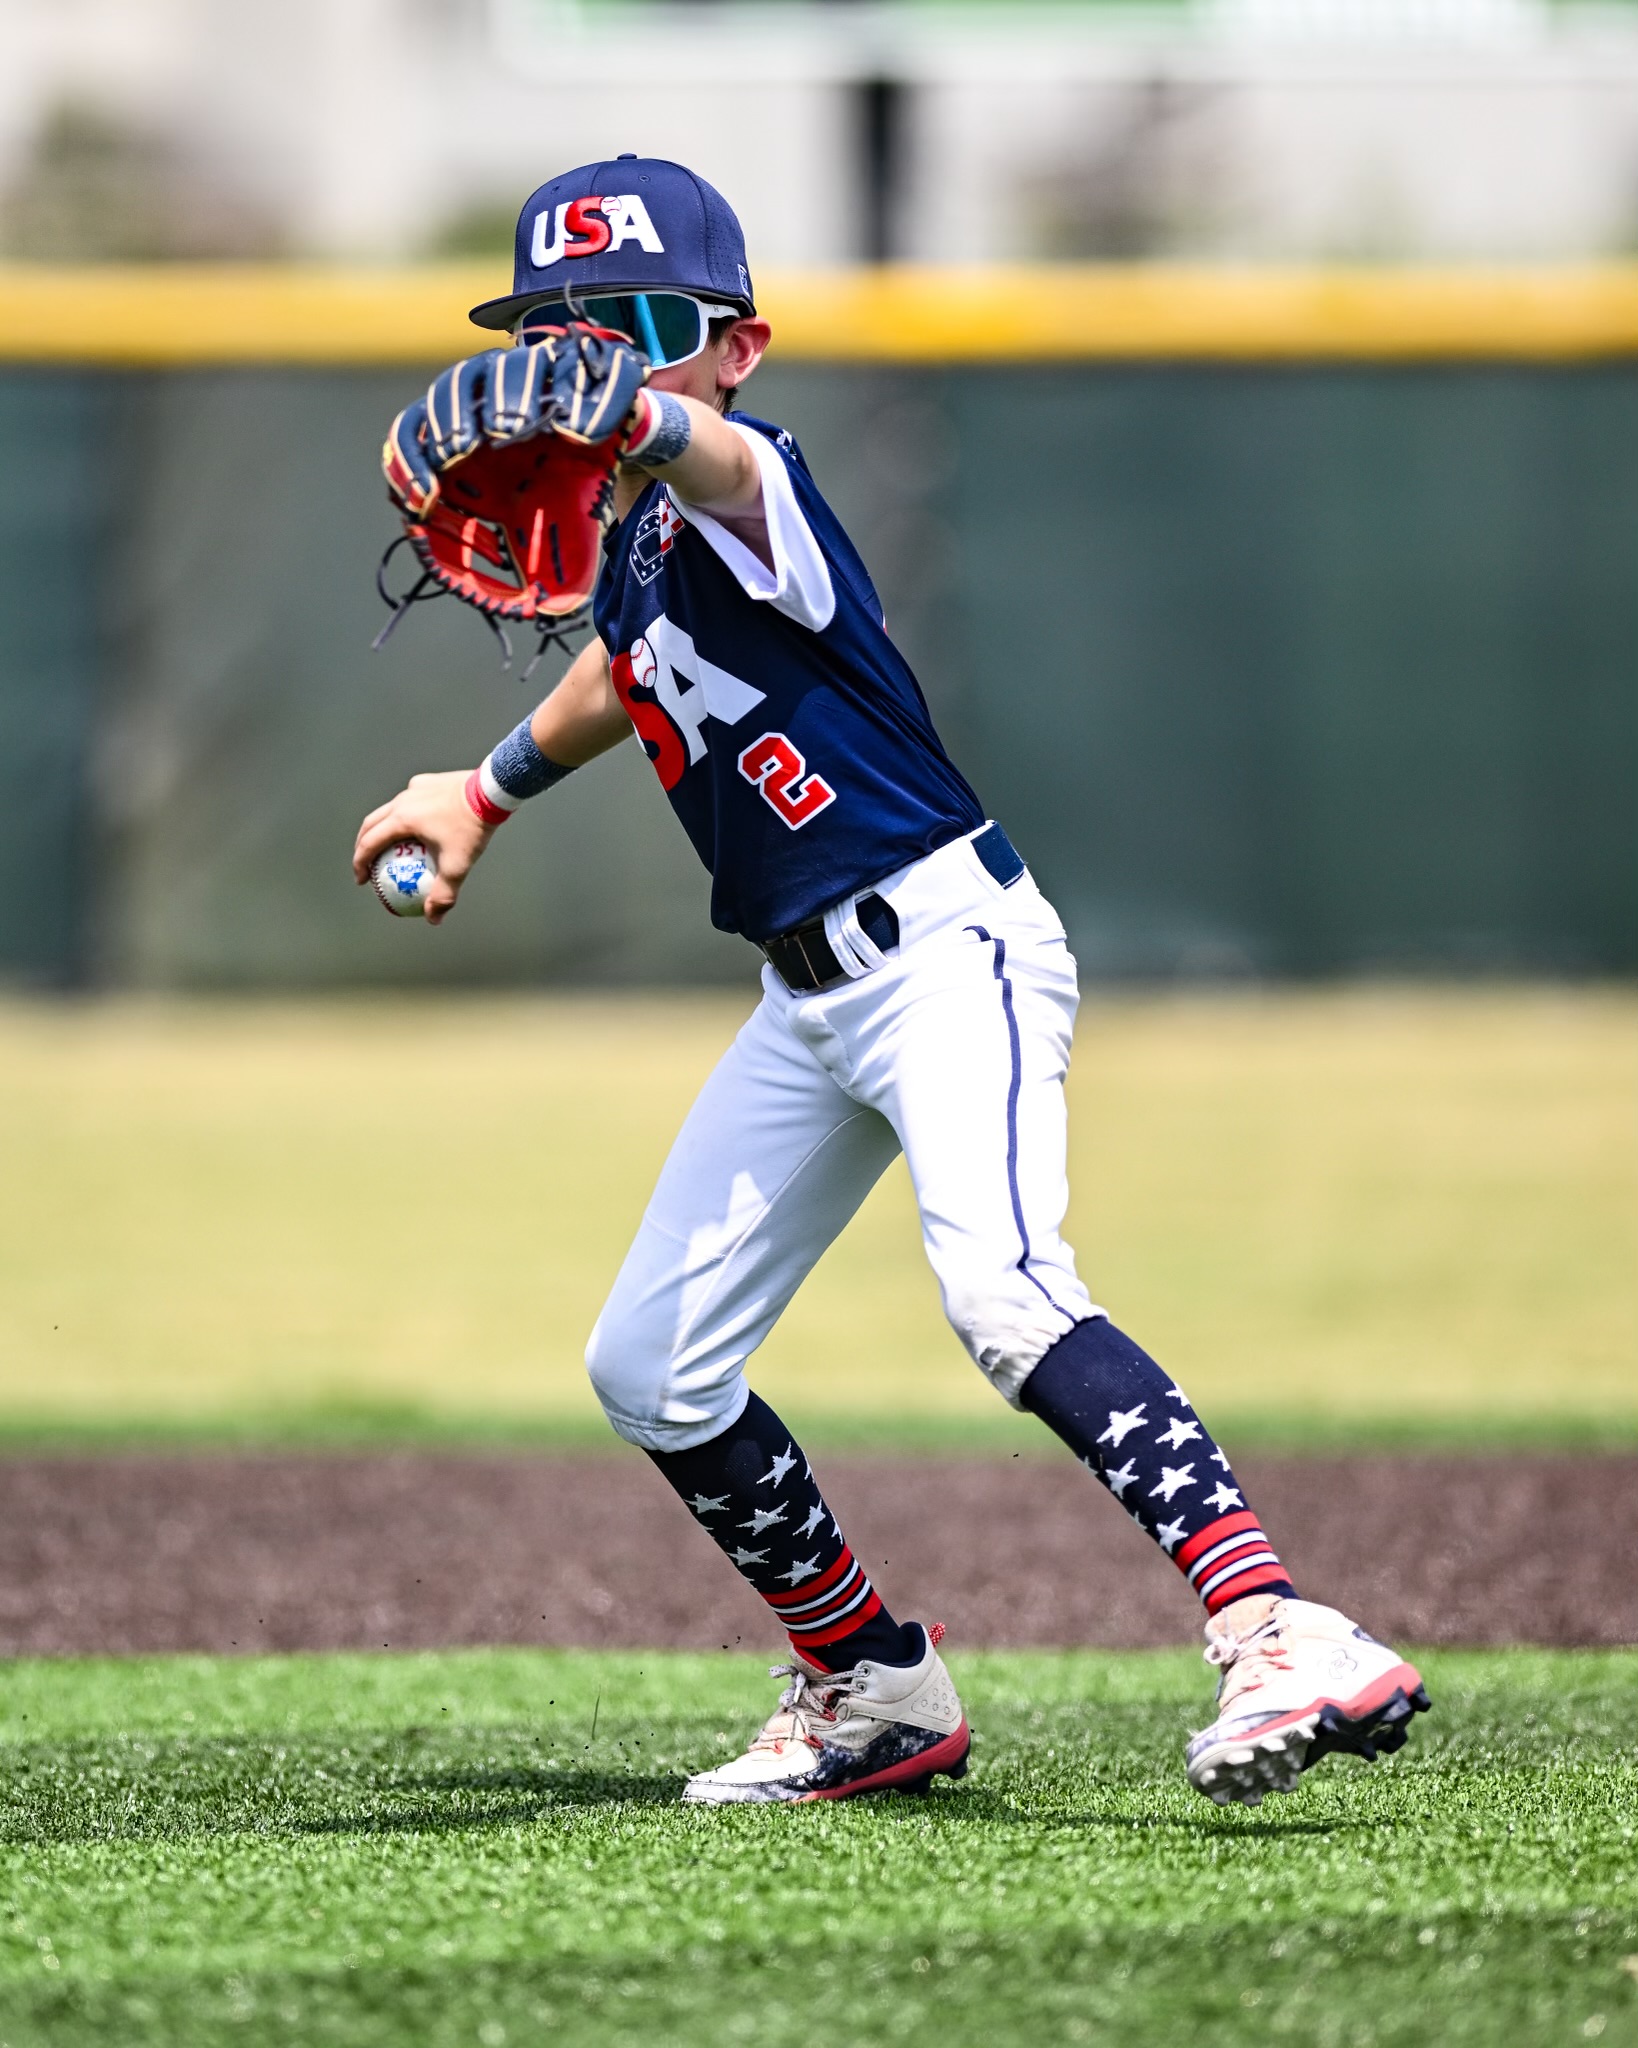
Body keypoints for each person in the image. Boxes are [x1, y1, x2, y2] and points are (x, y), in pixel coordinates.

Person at [352, 155, 1430, 1809]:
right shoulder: (638, 552)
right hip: (801, 999)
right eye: (559, 331)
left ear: (739, 346)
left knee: (1001, 1290)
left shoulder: (753, 481)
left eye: (639, 326)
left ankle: (1283, 1628)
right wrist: (482, 788)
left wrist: (640, 419)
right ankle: (868, 1685)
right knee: (649, 1368)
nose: (594, 362)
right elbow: (616, 665)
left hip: (943, 948)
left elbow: (703, 464)